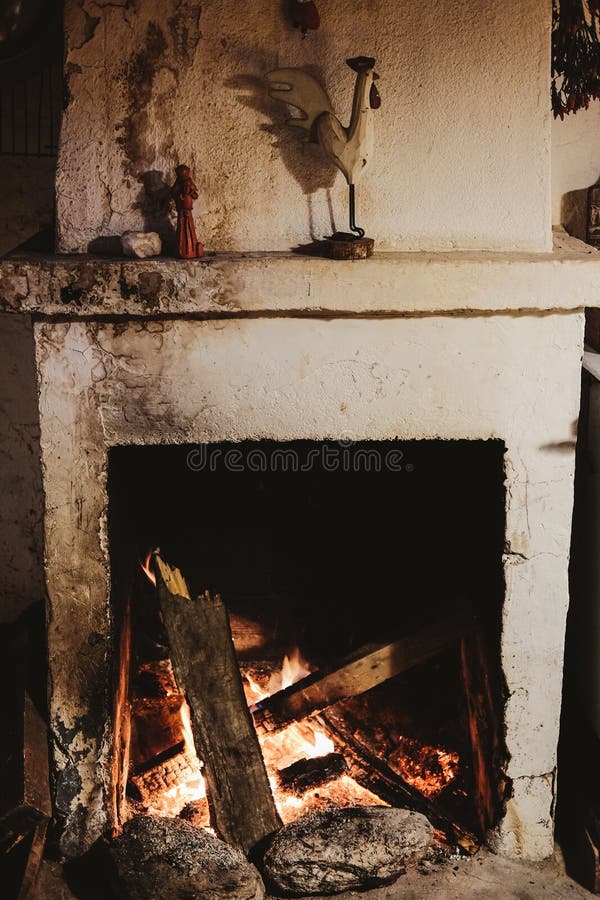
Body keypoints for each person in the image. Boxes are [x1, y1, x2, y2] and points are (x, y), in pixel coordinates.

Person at [171, 164, 203, 259]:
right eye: (181, 174)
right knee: (182, 227)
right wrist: (179, 194)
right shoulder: (178, 183)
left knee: (189, 227)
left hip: (188, 209)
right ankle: (183, 250)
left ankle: (190, 250)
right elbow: (173, 192)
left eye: (185, 174)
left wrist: (191, 191)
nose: (184, 177)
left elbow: (195, 195)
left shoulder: (189, 182)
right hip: (181, 209)